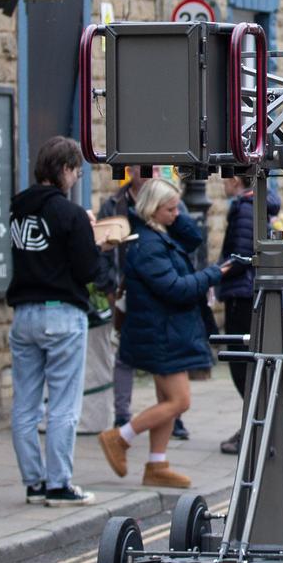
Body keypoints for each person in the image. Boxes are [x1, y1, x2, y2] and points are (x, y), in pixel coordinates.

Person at [100, 178, 232, 488]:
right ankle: (120, 437)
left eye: (176, 208)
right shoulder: (148, 245)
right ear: (152, 210)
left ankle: (157, 465)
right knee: (179, 401)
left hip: (167, 331)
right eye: (170, 209)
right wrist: (213, 274)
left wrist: (171, 207)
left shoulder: (161, 233)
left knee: (166, 399)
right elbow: (175, 289)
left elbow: (192, 238)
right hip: (162, 334)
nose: (177, 214)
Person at [7, 135, 101, 505]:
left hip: (23, 314)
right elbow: (87, 269)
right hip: (62, 314)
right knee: (63, 404)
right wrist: (96, 242)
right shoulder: (70, 214)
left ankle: (34, 483)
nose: (77, 178)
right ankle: (59, 484)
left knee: (25, 404)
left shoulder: (17, 209)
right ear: (63, 169)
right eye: (76, 171)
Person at [100, 168, 201, 440]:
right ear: (130, 171)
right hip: (129, 291)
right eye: (145, 168)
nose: (151, 174)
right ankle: (122, 422)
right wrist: (109, 287)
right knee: (125, 355)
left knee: (164, 373)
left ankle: (162, 446)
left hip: (160, 296)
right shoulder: (115, 205)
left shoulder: (169, 208)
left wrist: (173, 208)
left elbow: (193, 240)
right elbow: (101, 250)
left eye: (155, 168)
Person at [217, 170, 280, 455]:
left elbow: (241, 255)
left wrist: (214, 274)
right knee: (248, 364)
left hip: (242, 295)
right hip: (248, 292)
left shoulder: (245, 207)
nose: (222, 181)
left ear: (236, 179)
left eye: (225, 176)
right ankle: (257, 427)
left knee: (241, 365)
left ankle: (258, 429)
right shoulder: (255, 204)